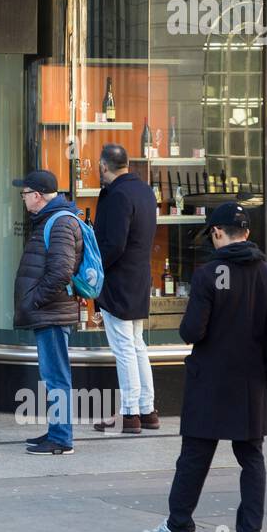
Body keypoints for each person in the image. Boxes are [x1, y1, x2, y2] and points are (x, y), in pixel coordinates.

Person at [139, 202, 267, 532]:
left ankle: (178, 528)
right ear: (247, 233)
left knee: (194, 456)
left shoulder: (209, 274)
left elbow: (191, 331)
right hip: (250, 382)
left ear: (218, 233)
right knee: (251, 457)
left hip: (210, 381)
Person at [12, 169, 84, 456]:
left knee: (56, 376)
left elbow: (61, 272)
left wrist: (34, 301)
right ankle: (57, 430)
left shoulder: (59, 223)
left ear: (37, 196)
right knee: (52, 374)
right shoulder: (52, 219)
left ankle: (62, 439)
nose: (23, 198)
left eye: (25, 193)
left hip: (52, 312)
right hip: (50, 311)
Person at [91, 143, 158, 434]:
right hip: (139, 278)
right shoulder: (145, 191)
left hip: (119, 281)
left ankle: (130, 413)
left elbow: (114, 243)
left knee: (124, 348)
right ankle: (148, 410)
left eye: (99, 167)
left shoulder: (117, 195)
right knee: (137, 345)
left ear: (104, 166)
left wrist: (93, 269)